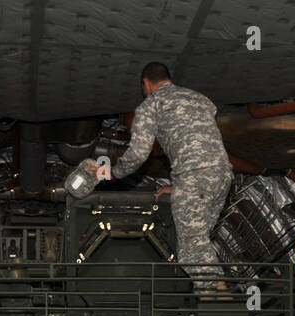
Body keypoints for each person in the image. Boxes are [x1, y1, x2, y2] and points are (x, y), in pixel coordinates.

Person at [88, 62, 232, 293]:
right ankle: (214, 297)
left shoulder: (151, 106)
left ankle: (218, 303)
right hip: (222, 176)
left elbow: (138, 155)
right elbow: (199, 143)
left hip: (194, 178)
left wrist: (110, 173)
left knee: (190, 252)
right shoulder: (200, 99)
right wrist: (177, 187)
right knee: (200, 241)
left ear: (146, 84)